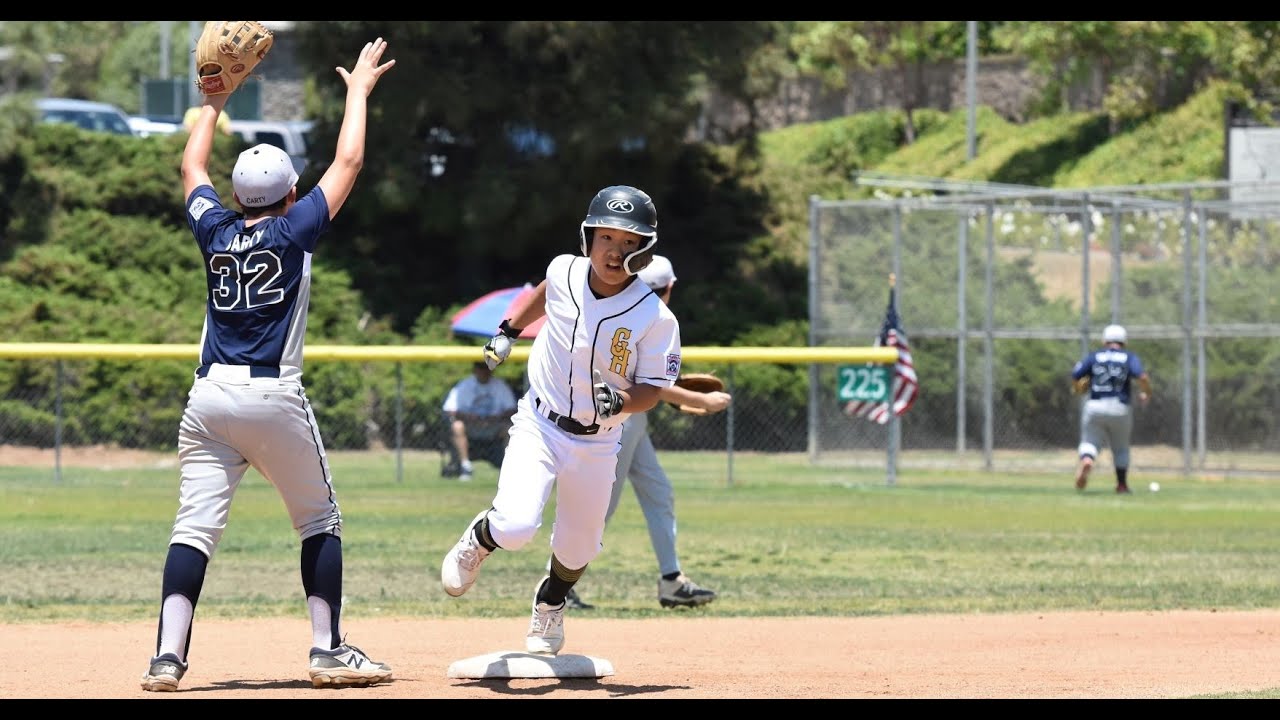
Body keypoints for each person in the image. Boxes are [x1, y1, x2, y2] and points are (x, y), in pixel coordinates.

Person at [140, 38, 396, 692]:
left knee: (193, 528)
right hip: (271, 397)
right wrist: (357, 92)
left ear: (238, 194)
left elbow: (190, 167)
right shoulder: (296, 229)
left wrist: (213, 102)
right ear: (288, 195)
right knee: (319, 521)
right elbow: (350, 158)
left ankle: (167, 659)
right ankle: (327, 649)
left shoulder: (215, 230)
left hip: (207, 401)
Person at [439, 184, 681, 656]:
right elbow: (545, 292)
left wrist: (624, 402)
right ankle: (478, 540)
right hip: (540, 423)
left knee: (579, 548)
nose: (615, 251)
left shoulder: (655, 316)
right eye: (606, 237)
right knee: (514, 526)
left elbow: (655, 389)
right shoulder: (564, 270)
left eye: (629, 242)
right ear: (587, 236)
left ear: (645, 251)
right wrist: (508, 331)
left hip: (598, 441)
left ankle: (550, 606)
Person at [560, 255, 730, 611]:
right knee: (598, 508)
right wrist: (703, 400)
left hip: (629, 422)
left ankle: (671, 581)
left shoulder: (624, 310)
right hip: (617, 423)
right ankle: (557, 583)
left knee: (658, 493)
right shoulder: (650, 315)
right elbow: (650, 385)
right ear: (670, 288)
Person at [1070, 324, 1152, 494]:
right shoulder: (1129, 357)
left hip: (1095, 405)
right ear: (1124, 341)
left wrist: (1080, 388)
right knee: (1120, 447)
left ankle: (1087, 460)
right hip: (1120, 407)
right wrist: (1146, 392)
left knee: (1090, 441)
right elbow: (1142, 376)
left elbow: (1076, 376)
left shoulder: (1094, 356)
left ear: (1105, 340)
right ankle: (1121, 485)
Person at [442, 361, 518, 481]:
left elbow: (512, 408)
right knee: (457, 426)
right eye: (481, 368)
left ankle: (509, 468)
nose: (484, 372)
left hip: (494, 425)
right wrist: (469, 417)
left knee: (510, 429)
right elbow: (449, 409)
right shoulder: (465, 385)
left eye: (487, 368)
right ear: (475, 370)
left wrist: (494, 418)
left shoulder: (499, 385)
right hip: (471, 426)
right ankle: (465, 467)